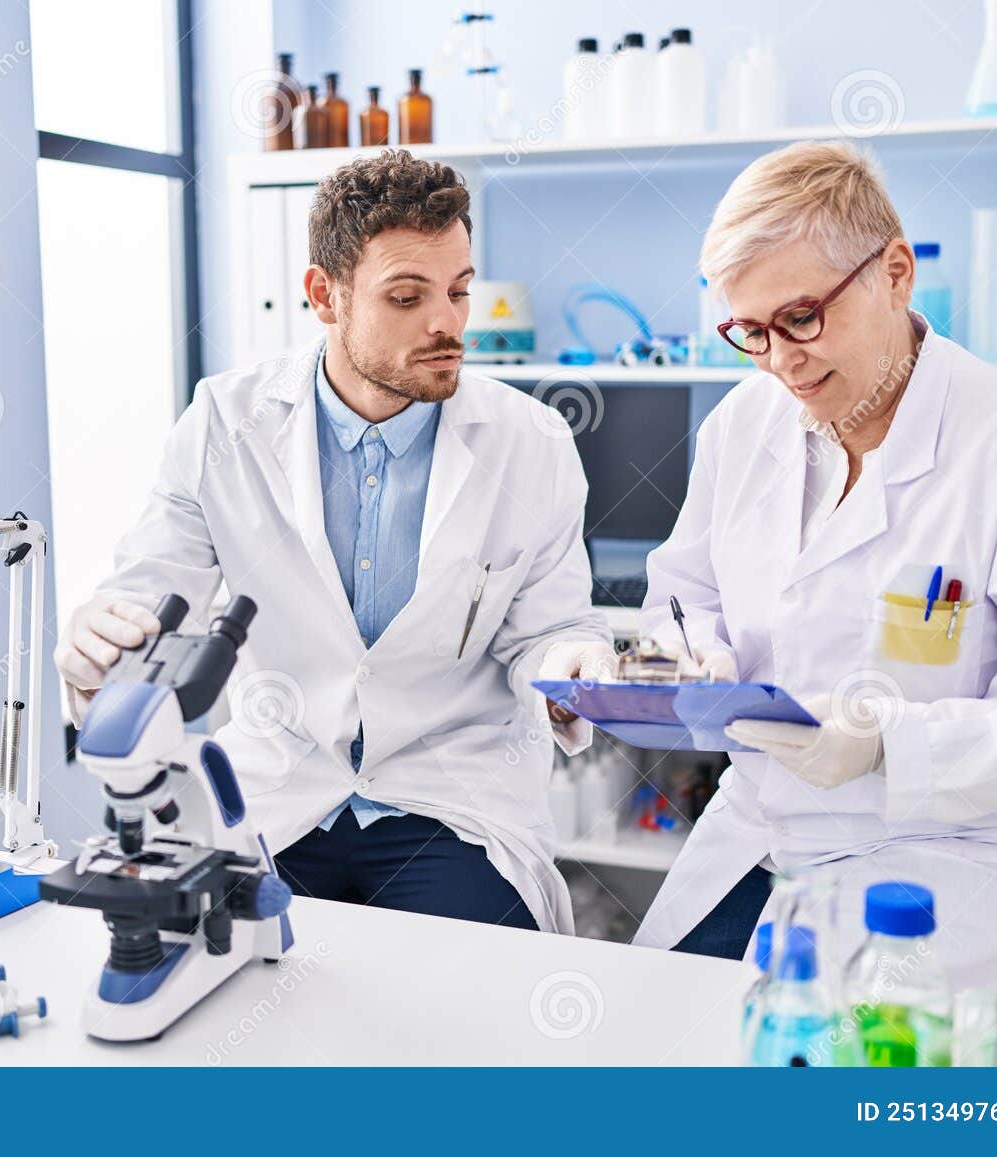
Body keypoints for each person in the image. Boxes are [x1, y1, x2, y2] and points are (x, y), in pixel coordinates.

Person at [633, 140, 997, 995]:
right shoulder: (744, 426)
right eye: (750, 332)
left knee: (826, 1074)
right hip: (766, 830)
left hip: (962, 854)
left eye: (801, 317)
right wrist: (697, 655)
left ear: (894, 272)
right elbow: (687, 596)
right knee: (658, 1025)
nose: (781, 360)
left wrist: (892, 745)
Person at [56, 149, 612, 935]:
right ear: (325, 294)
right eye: (407, 296)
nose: (448, 323)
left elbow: (553, 630)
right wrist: (100, 635)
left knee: (469, 1004)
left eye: (458, 290)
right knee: (222, 978)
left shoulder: (533, 441)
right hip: (280, 790)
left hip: (448, 799)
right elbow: (147, 598)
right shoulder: (224, 424)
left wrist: (572, 664)